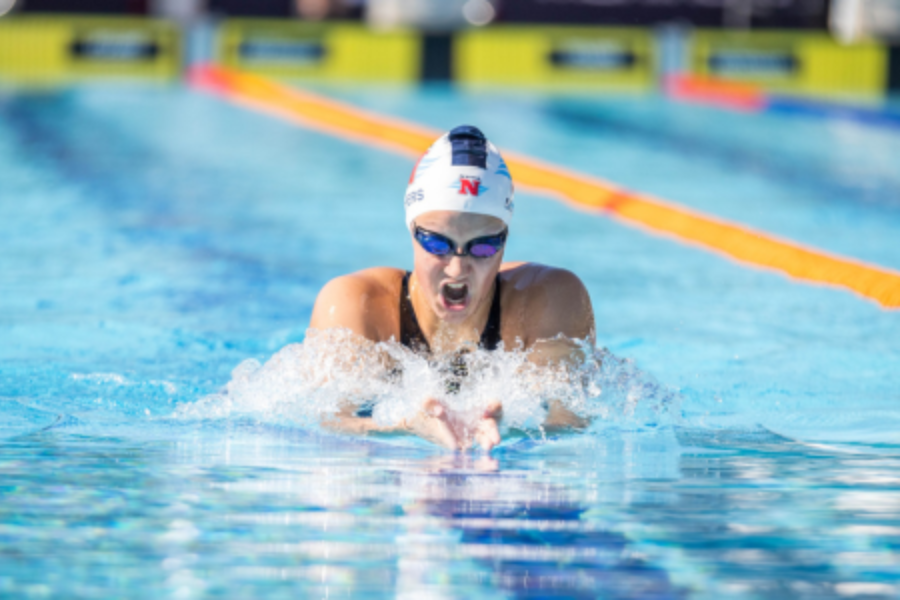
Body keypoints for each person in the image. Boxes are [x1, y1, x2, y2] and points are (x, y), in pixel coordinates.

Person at [310, 125, 594, 451]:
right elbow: (325, 425)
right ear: (412, 230)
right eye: (437, 243)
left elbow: (572, 423)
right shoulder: (357, 306)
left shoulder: (548, 301)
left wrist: (512, 432)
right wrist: (406, 427)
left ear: (504, 241)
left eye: (483, 247)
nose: (457, 268)